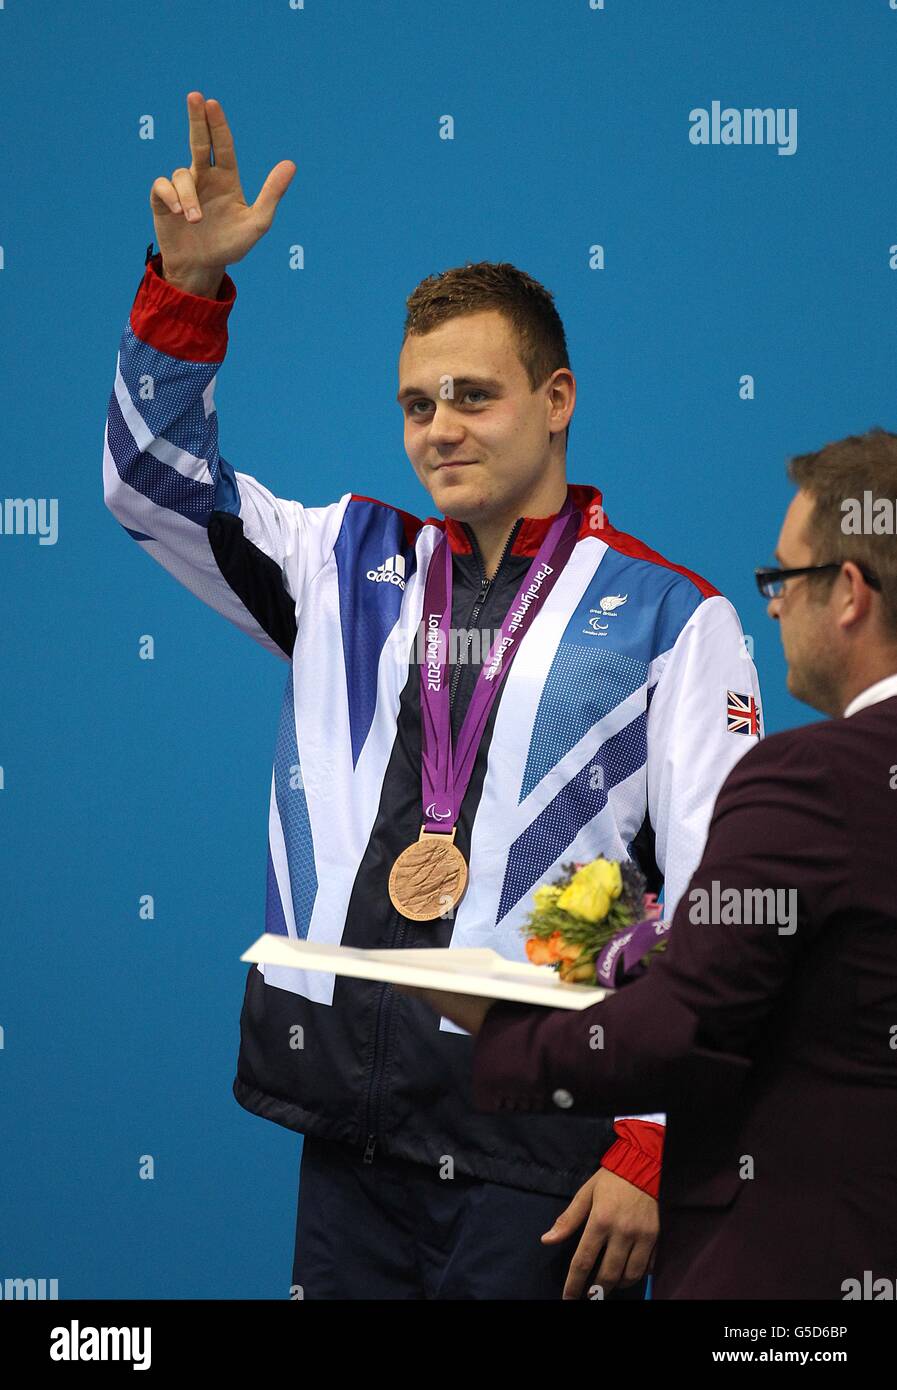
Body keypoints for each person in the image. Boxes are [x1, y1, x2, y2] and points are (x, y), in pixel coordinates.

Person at [102, 91, 762, 1299]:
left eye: (474, 394)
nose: (439, 428)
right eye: (416, 403)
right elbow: (151, 485)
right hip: (350, 1137)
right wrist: (186, 295)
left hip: (548, 1160)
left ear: (556, 400)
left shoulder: (676, 619)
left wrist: (649, 1142)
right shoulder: (341, 566)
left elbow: (721, 903)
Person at [425, 428, 897, 1299]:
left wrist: (494, 1032)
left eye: (783, 580)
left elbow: (693, 1022)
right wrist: (630, 948)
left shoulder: (810, 781)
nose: (770, 607)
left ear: (849, 595)